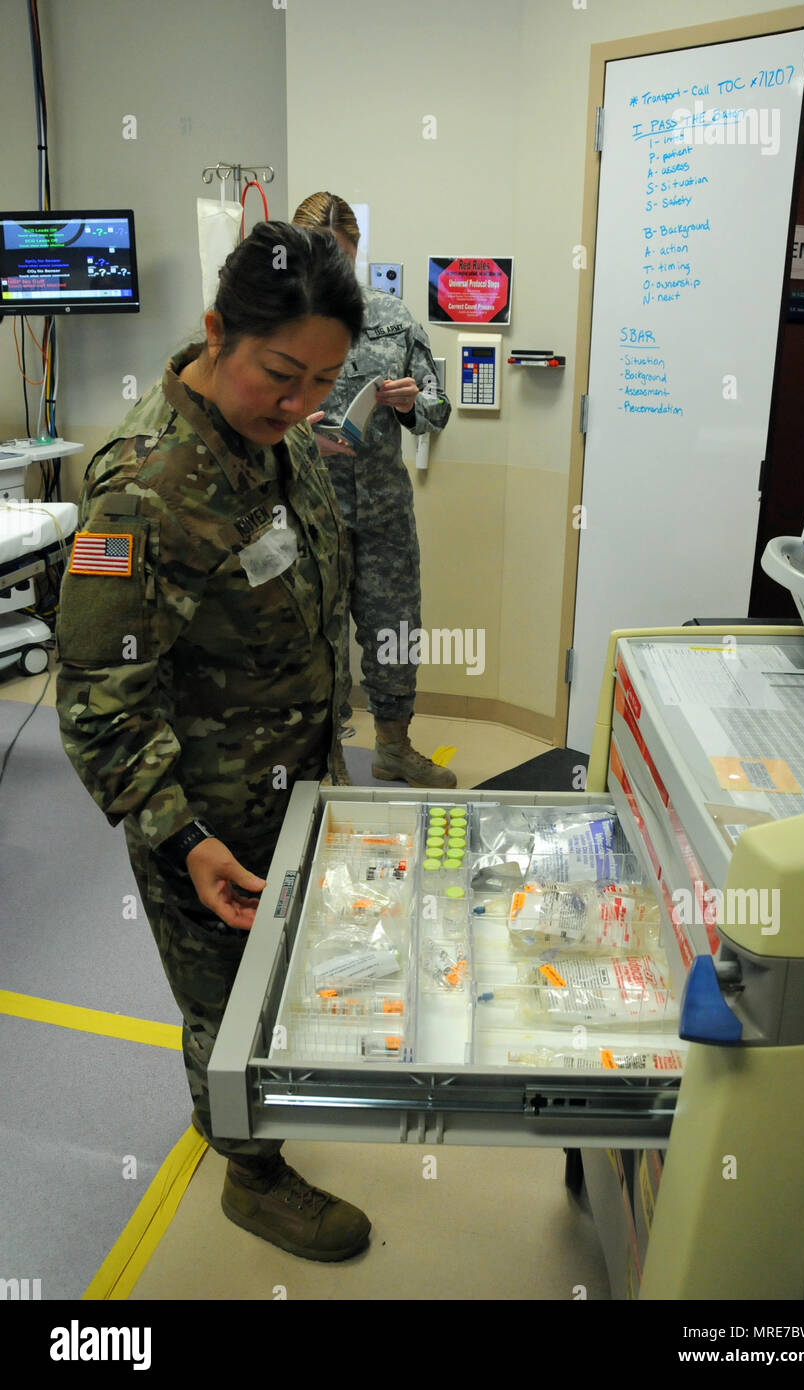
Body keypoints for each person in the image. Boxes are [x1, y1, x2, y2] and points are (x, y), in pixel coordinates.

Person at [54, 222, 372, 1263]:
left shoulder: (274, 445)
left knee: (286, 978)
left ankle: (279, 1112)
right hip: (211, 818)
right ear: (215, 332)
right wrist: (180, 835)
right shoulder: (144, 489)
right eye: (281, 374)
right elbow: (100, 701)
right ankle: (251, 1171)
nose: (300, 402)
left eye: (322, 381)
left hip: (297, 784)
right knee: (229, 1001)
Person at [292, 192, 456, 788]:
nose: (333, 272)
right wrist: (294, 438)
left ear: (357, 253)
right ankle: (326, 760)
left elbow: (439, 409)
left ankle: (393, 747)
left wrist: (417, 403)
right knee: (317, 639)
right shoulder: (277, 323)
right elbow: (245, 427)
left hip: (385, 512)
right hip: (311, 515)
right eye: (320, 258)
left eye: (343, 258)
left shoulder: (391, 316)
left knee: (394, 632)